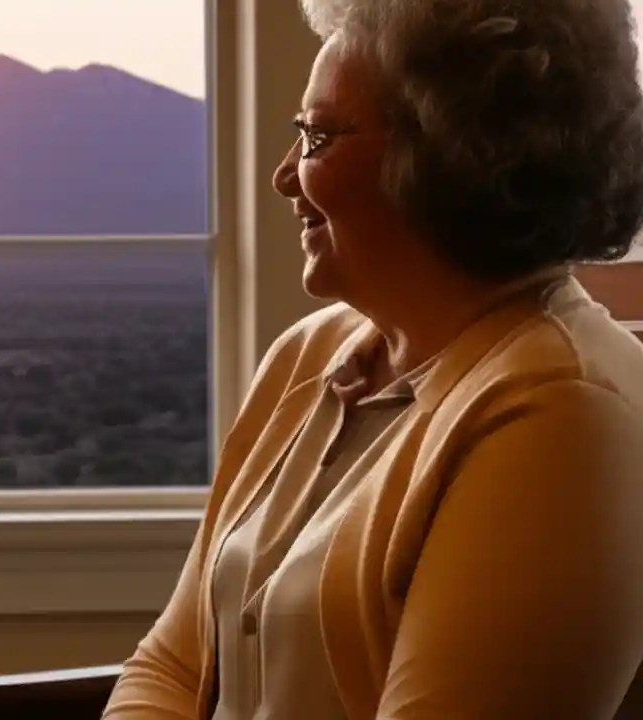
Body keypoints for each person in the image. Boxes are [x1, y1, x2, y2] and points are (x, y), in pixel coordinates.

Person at [104, 0, 643, 718]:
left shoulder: (566, 416)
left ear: (454, 153)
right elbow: (173, 663)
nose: (284, 177)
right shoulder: (310, 352)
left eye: (317, 137)